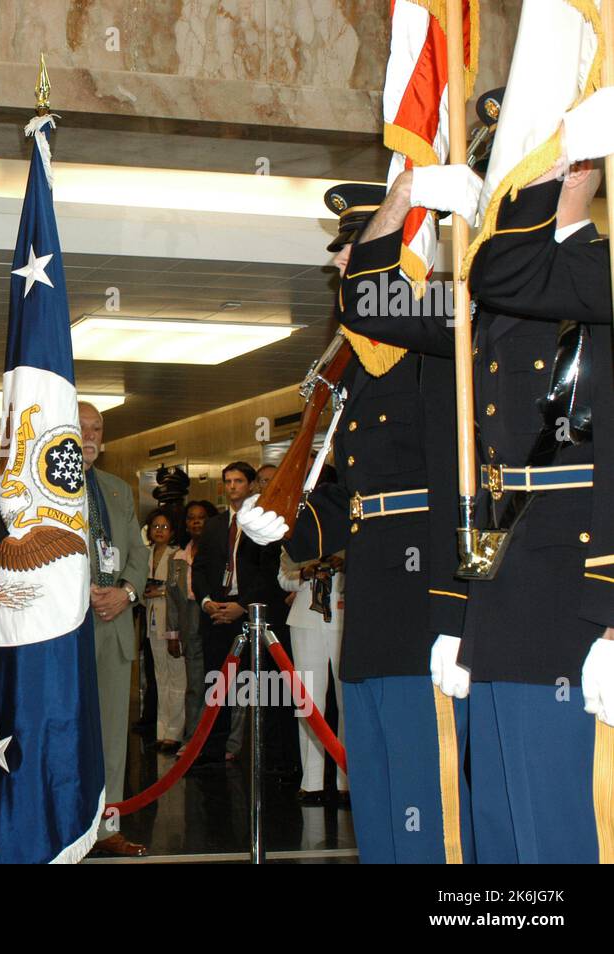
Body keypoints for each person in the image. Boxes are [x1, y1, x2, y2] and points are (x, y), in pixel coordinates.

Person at [240, 169, 482, 862]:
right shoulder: (360, 367)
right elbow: (355, 496)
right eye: (346, 250)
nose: (341, 261)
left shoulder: (440, 355)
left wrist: (450, 616)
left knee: (425, 797)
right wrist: (290, 525)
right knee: (374, 793)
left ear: (404, 252)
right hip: (373, 607)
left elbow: (461, 490)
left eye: (355, 247)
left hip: (426, 605)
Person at [438, 90, 614, 860]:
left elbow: (502, 265)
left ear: (573, 170)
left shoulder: (595, 272)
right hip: (506, 578)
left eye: (513, 171)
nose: (499, 189)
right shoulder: (513, 292)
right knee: (501, 821)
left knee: (553, 821)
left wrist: (611, 605)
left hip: (569, 584)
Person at [80, 400, 150, 857]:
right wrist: (83, 592)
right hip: (68, 625)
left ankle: (107, 830)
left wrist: (124, 592)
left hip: (116, 623)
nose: (89, 434)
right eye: (80, 426)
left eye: (96, 428)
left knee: (111, 737)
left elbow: (138, 557)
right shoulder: (46, 489)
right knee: (66, 729)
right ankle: (66, 828)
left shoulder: (120, 490)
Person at [190, 462, 278, 763]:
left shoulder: (264, 521)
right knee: (217, 682)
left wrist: (243, 606)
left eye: (238, 481)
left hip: (249, 610)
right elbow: (199, 569)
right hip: (216, 610)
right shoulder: (215, 524)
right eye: (227, 481)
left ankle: (253, 748)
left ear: (251, 485)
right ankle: (214, 745)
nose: (232, 487)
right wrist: (206, 602)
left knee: (255, 684)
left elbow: (269, 571)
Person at [277, 543, 347, 804]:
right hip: (305, 620)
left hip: (344, 616)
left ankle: (347, 779)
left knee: (347, 701)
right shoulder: (298, 536)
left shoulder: (350, 530)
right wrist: (304, 573)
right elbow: (284, 578)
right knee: (308, 701)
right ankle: (312, 781)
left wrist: (345, 565)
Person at [142, 508, 186, 753]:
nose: (159, 531)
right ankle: (161, 730)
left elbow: (179, 591)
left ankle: (175, 732)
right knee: (160, 677)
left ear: (173, 531)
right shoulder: (145, 554)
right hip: (151, 621)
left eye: (164, 527)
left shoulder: (177, 554)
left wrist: (157, 591)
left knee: (177, 677)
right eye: (155, 526)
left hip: (172, 623)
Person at [179, 500, 217, 745]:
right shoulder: (180, 555)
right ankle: (192, 740)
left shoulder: (218, 550)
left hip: (214, 612)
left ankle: (220, 742)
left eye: (201, 517)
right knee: (194, 683)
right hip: (189, 615)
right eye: (191, 517)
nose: (196, 522)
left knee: (218, 682)